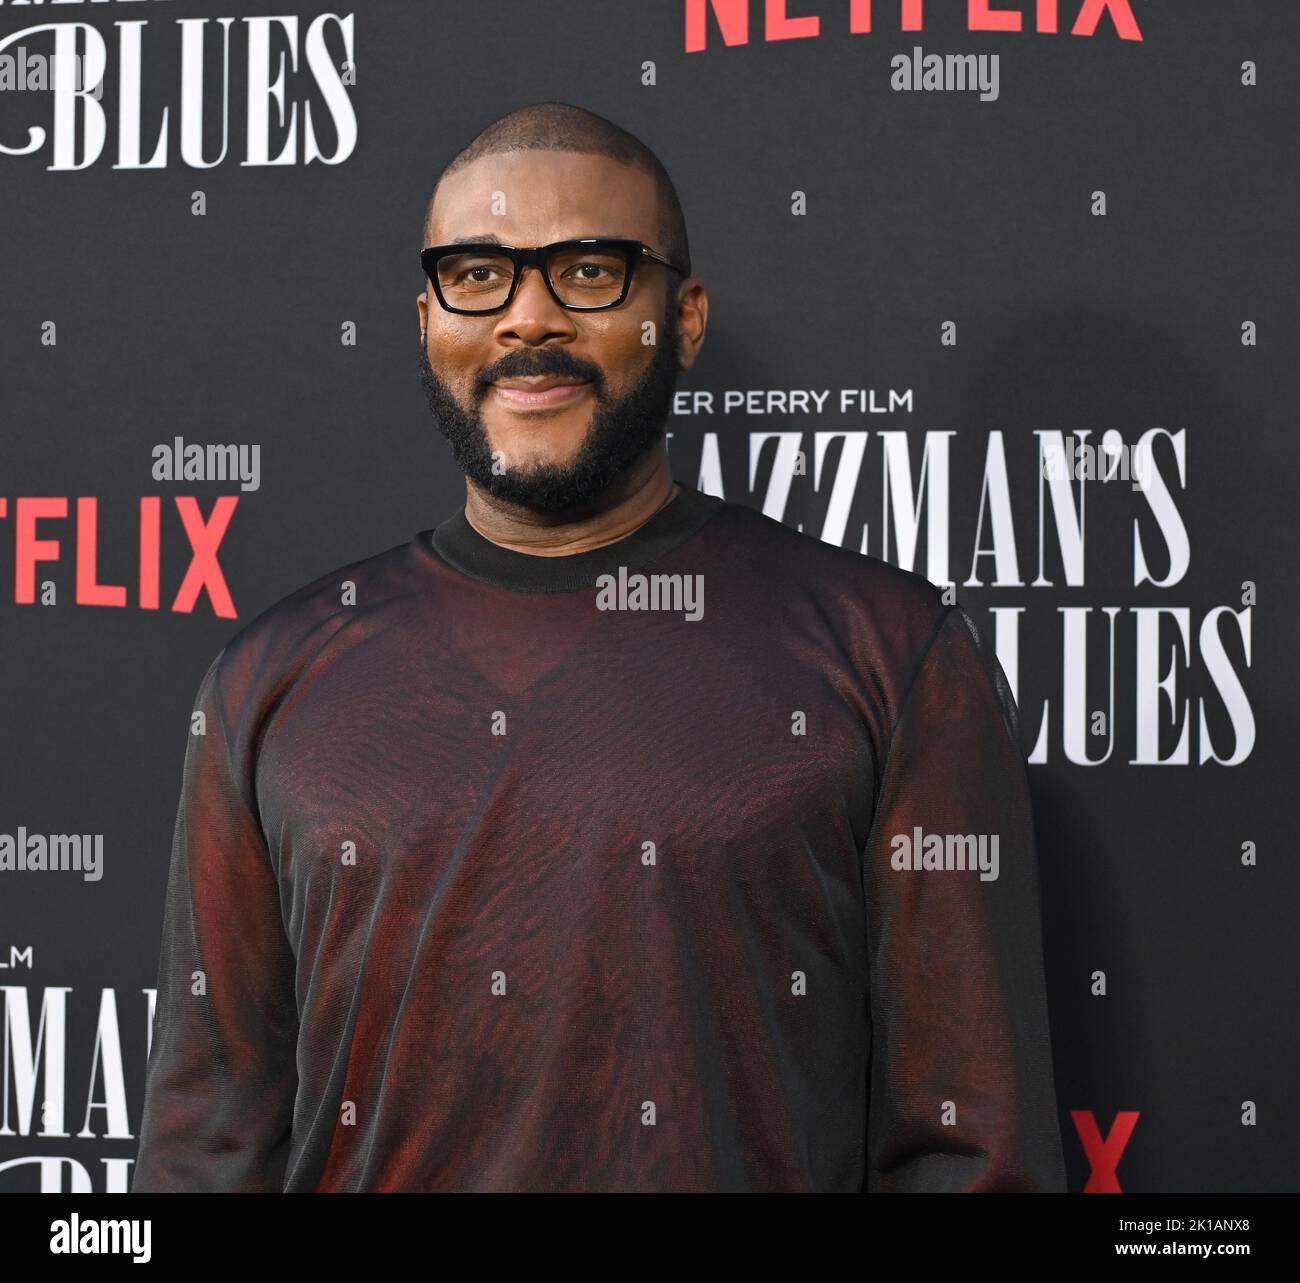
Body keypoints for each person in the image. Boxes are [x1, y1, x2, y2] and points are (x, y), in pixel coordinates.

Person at [131, 101, 1067, 1193]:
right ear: (427, 318)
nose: (528, 320)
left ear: (686, 315)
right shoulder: (267, 680)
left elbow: (973, 1153)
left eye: (587, 271)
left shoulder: (889, 654)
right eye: (478, 274)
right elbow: (204, 1148)